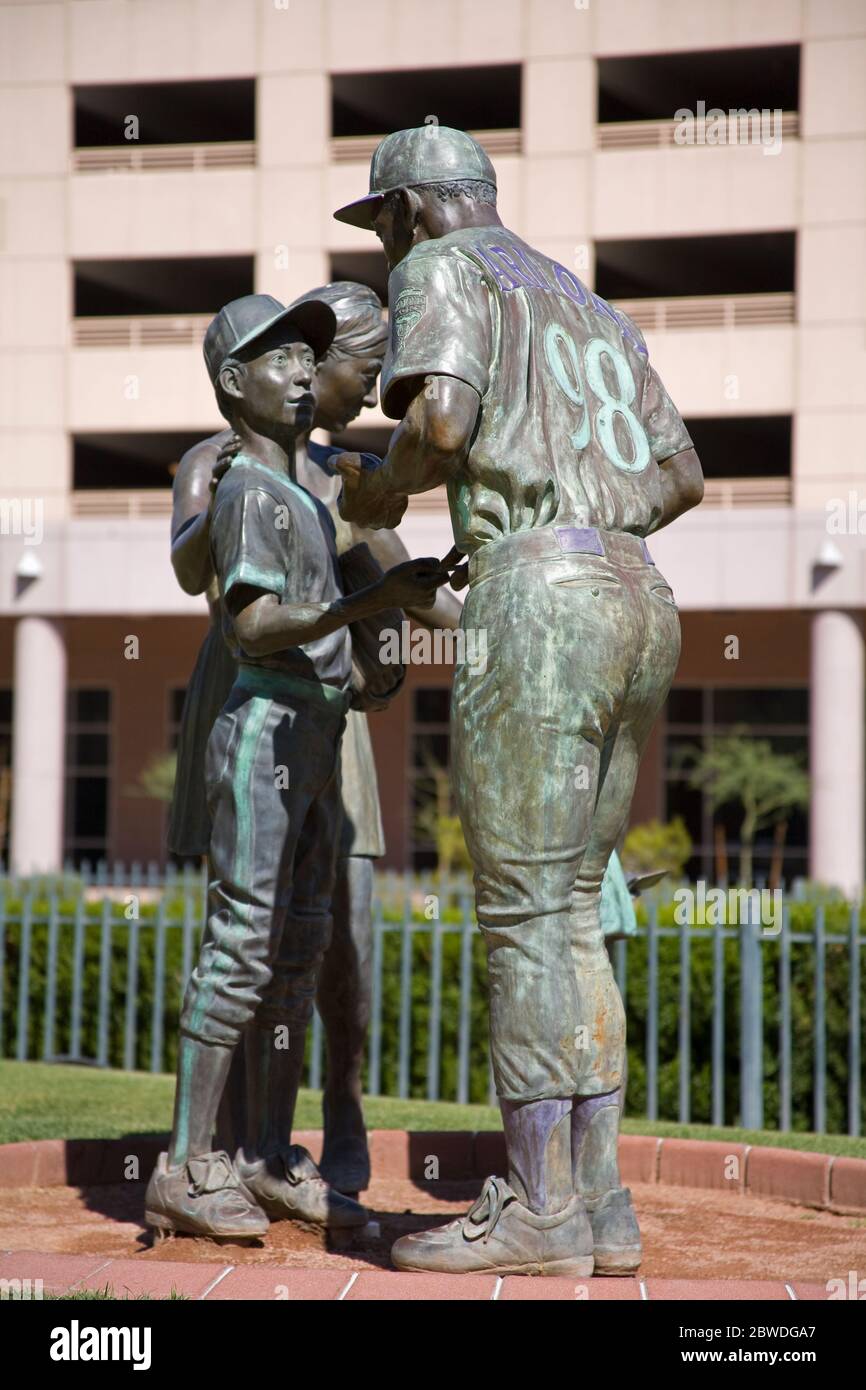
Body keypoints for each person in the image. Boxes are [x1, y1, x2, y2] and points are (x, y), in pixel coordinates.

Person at [333, 127, 704, 1276]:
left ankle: (541, 1208)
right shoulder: (590, 305)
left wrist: (380, 478)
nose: (385, 242)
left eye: (384, 222)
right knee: (574, 907)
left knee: (522, 916)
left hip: (534, 592)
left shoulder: (442, 268)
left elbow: (438, 421)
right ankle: (597, 1205)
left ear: (412, 210)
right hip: (637, 589)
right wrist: (590, 508)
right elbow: (682, 474)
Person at [145, 293, 447, 1240]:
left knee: (306, 948)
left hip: (321, 720)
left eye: (317, 360)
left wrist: (441, 603)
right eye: (289, 360)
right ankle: (191, 1161)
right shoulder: (230, 476)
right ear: (238, 383)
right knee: (243, 939)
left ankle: (269, 1153)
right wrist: (355, 605)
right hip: (261, 712)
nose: (312, 373)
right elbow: (232, 602)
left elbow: (403, 591)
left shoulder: (326, 488)